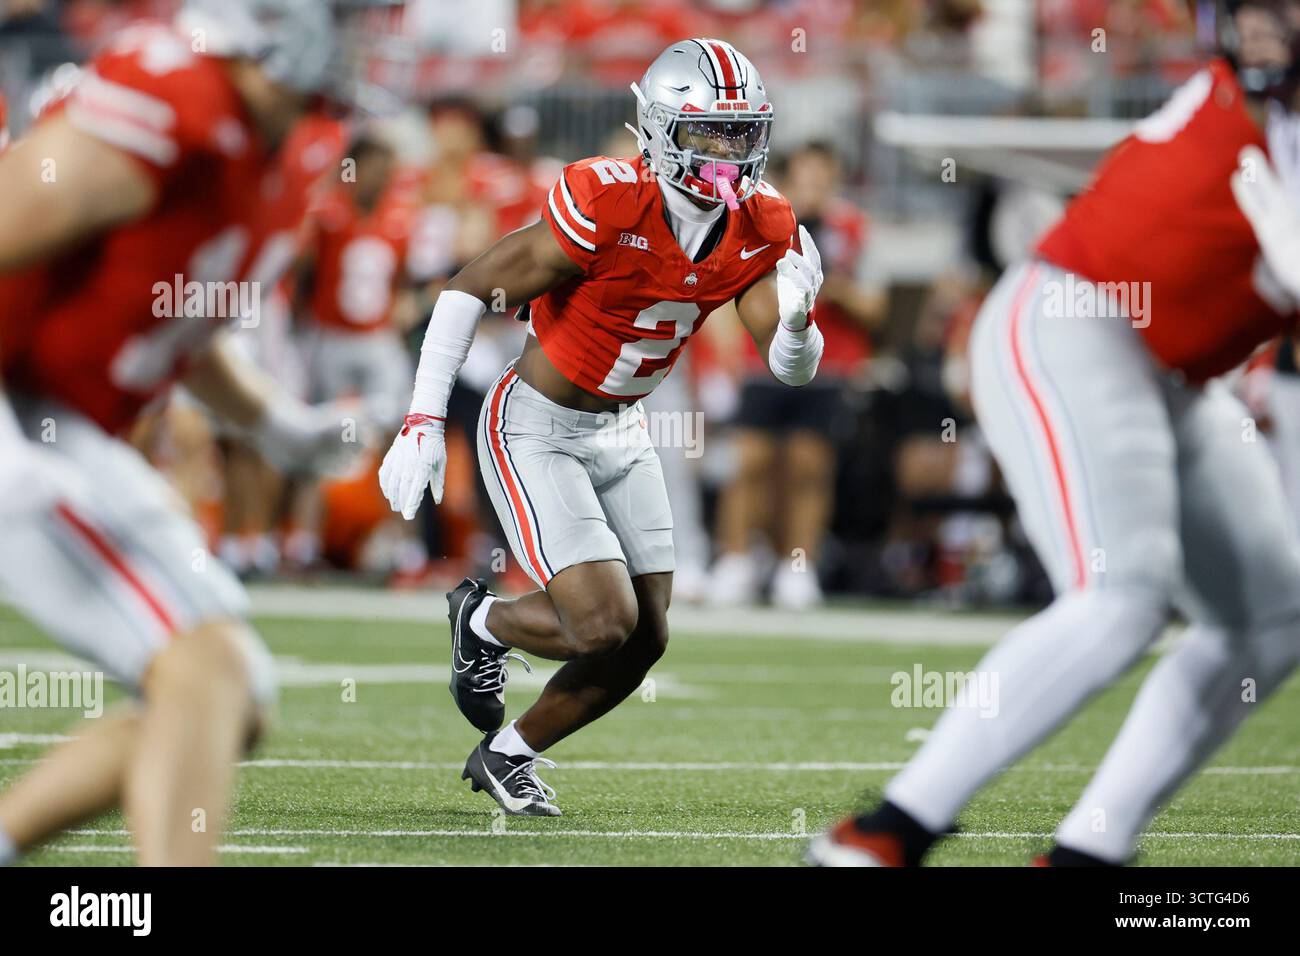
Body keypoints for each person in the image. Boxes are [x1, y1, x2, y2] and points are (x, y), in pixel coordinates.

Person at [810, 0, 1300, 866]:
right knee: (1120, 596)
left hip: (1176, 377)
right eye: (1258, 10)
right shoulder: (1258, 109)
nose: (1266, 29)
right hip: (1075, 324)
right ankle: (884, 834)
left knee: (1273, 618)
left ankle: (1087, 854)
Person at [379, 38, 825, 815]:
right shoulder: (607, 199)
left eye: (741, 133)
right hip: (537, 426)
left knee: (646, 637)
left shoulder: (763, 222)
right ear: (655, 129)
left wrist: (796, 325)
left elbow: (789, 365)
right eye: (708, 132)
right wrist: (420, 419)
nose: (727, 152)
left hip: (624, 430)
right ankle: (480, 618)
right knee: (601, 623)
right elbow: (468, 288)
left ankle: (509, 754)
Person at [0, 0, 389, 866]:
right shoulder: (171, 100)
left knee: (228, 696)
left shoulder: (291, 140)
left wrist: (282, 428)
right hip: (18, 413)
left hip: (59, 425)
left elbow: (180, 311)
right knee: (203, 669)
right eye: (353, 15)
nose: (373, 36)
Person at [711, 140, 883, 608]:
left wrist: (833, 287)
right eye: (806, 177)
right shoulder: (758, 218)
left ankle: (797, 566)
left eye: (822, 178)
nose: (814, 188)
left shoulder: (851, 228)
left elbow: (876, 305)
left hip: (825, 363)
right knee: (750, 463)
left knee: (809, 468)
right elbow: (728, 283)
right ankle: (737, 559)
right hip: (762, 356)